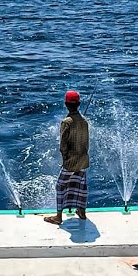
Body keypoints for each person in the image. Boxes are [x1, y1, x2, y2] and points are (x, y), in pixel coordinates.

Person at [44, 90, 90, 226]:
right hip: (83, 159)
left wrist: (65, 159)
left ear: (66, 104)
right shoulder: (85, 122)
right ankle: (81, 211)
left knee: (60, 186)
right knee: (81, 186)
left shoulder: (66, 122)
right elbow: (86, 143)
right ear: (79, 104)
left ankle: (58, 217)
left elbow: (63, 145)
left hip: (70, 161)